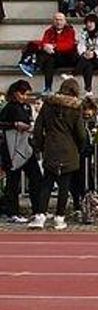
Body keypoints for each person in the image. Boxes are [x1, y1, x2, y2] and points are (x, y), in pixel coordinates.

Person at [28, 78, 89, 230]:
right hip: (69, 149)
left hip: (50, 147)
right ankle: (59, 217)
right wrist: (80, 148)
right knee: (64, 185)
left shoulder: (48, 104)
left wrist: (39, 145)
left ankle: (40, 215)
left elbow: (38, 128)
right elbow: (81, 134)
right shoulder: (75, 108)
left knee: (47, 183)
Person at [0, 80, 40, 223]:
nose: (24, 97)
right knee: (13, 181)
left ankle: (38, 209)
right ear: (15, 93)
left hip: (25, 146)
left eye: (26, 94)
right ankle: (12, 212)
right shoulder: (8, 108)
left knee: (35, 177)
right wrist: (14, 124)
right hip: (11, 148)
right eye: (22, 94)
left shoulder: (26, 107)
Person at [71, 13, 98, 96]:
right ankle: (88, 90)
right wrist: (84, 53)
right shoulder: (84, 33)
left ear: (96, 23)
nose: (89, 25)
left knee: (87, 62)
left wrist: (94, 54)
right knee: (88, 64)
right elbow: (81, 45)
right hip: (88, 57)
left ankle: (73, 74)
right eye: (87, 23)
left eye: (91, 22)